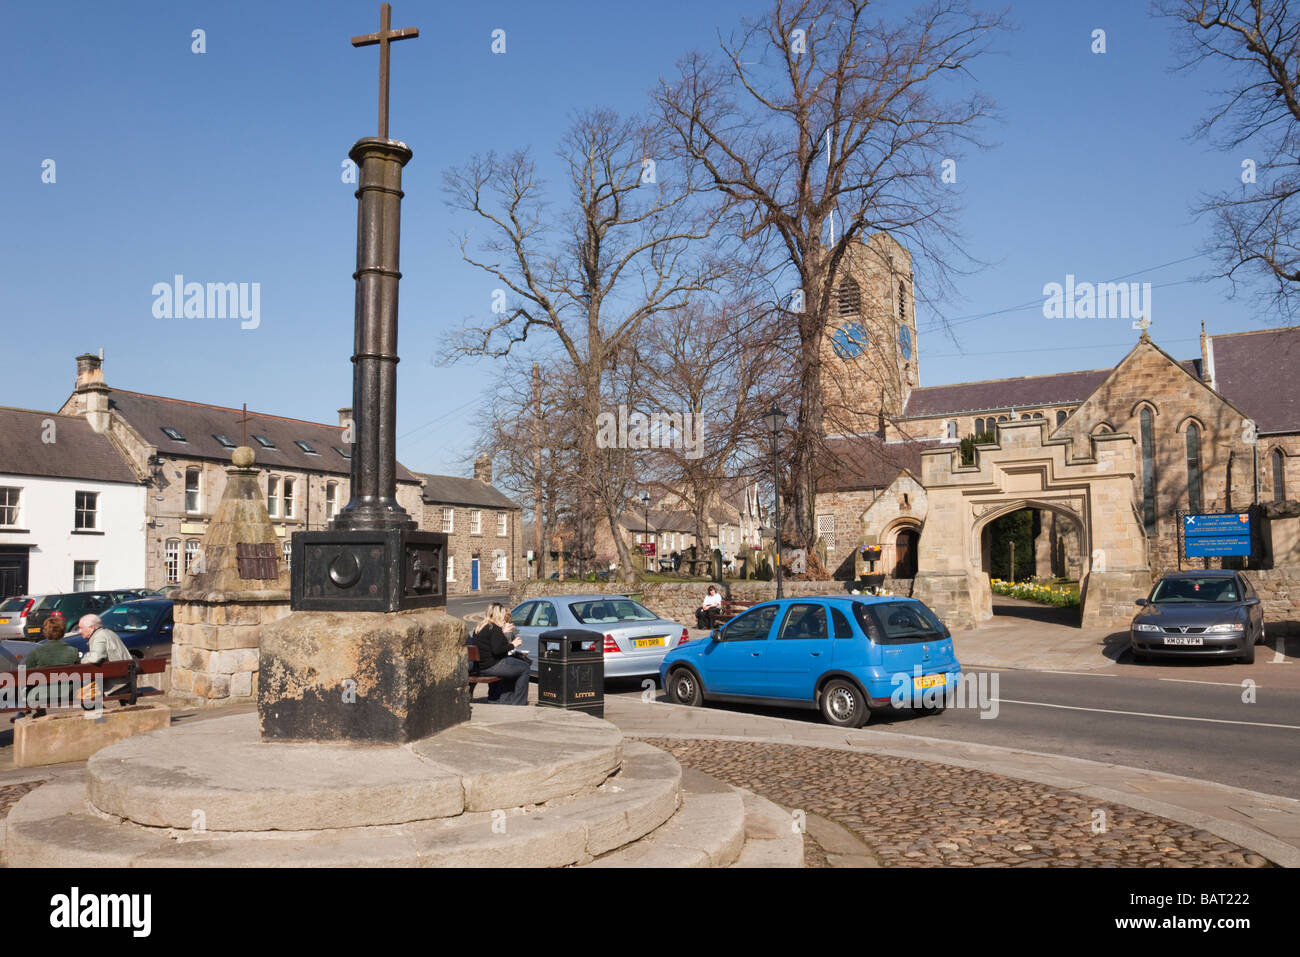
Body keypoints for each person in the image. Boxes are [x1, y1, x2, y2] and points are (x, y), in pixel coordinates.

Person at [470, 603, 530, 706]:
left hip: (482, 666)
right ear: (498, 614)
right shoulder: (494, 628)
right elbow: (497, 650)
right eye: (502, 613)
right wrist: (513, 644)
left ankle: (503, 700)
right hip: (493, 666)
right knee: (525, 667)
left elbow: (492, 644)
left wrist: (502, 633)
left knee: (515, 665)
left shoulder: (480, 627)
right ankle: (519, 703)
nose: (503, 616)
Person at [20, 617, 81, 716]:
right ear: (63, 632)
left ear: (45, 632)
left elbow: (24, 672)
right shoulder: (73, 650)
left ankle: (40, 713)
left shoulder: (37, 651)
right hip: (68, 692)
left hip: (40, 695)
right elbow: (79, 672)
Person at [77, 613, 132, 703]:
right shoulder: (109, 633)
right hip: (126, 678)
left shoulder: (99, 637)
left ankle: (98, 713)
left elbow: (96, 658)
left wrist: (83, 660)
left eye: (81, 628)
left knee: (82, 693)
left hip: (117, 683)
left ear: (92, 627)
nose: (79, 631)